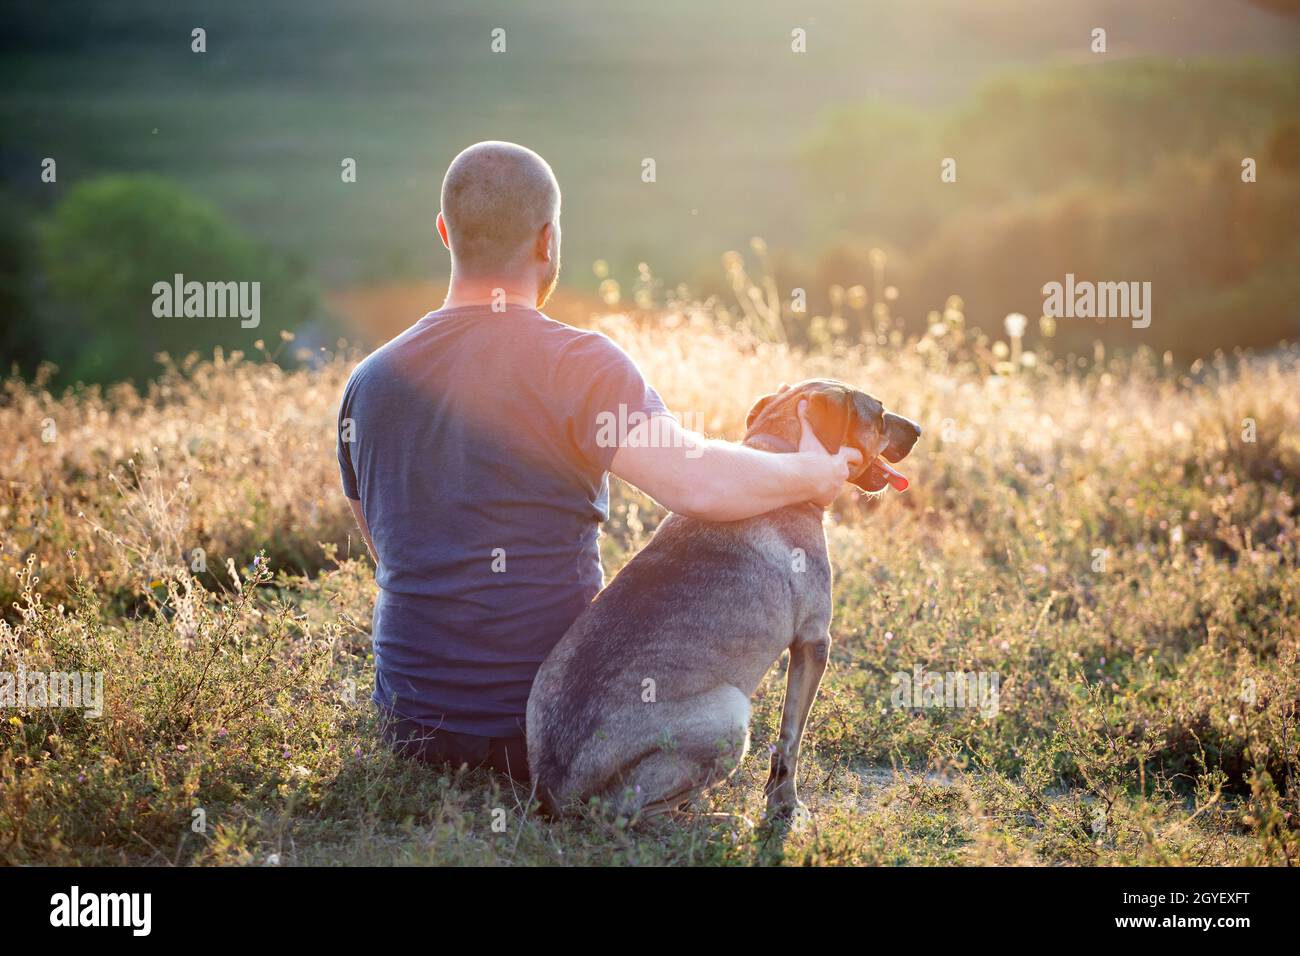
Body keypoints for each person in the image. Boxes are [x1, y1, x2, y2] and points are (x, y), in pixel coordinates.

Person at [336, 141, 861, 781]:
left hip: (408, 731)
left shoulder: (369, 382)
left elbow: (386, 547)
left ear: (446, 233)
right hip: (548, 734)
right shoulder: (578, 365)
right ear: (548, 241)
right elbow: (696, 483)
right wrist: (811, 474)